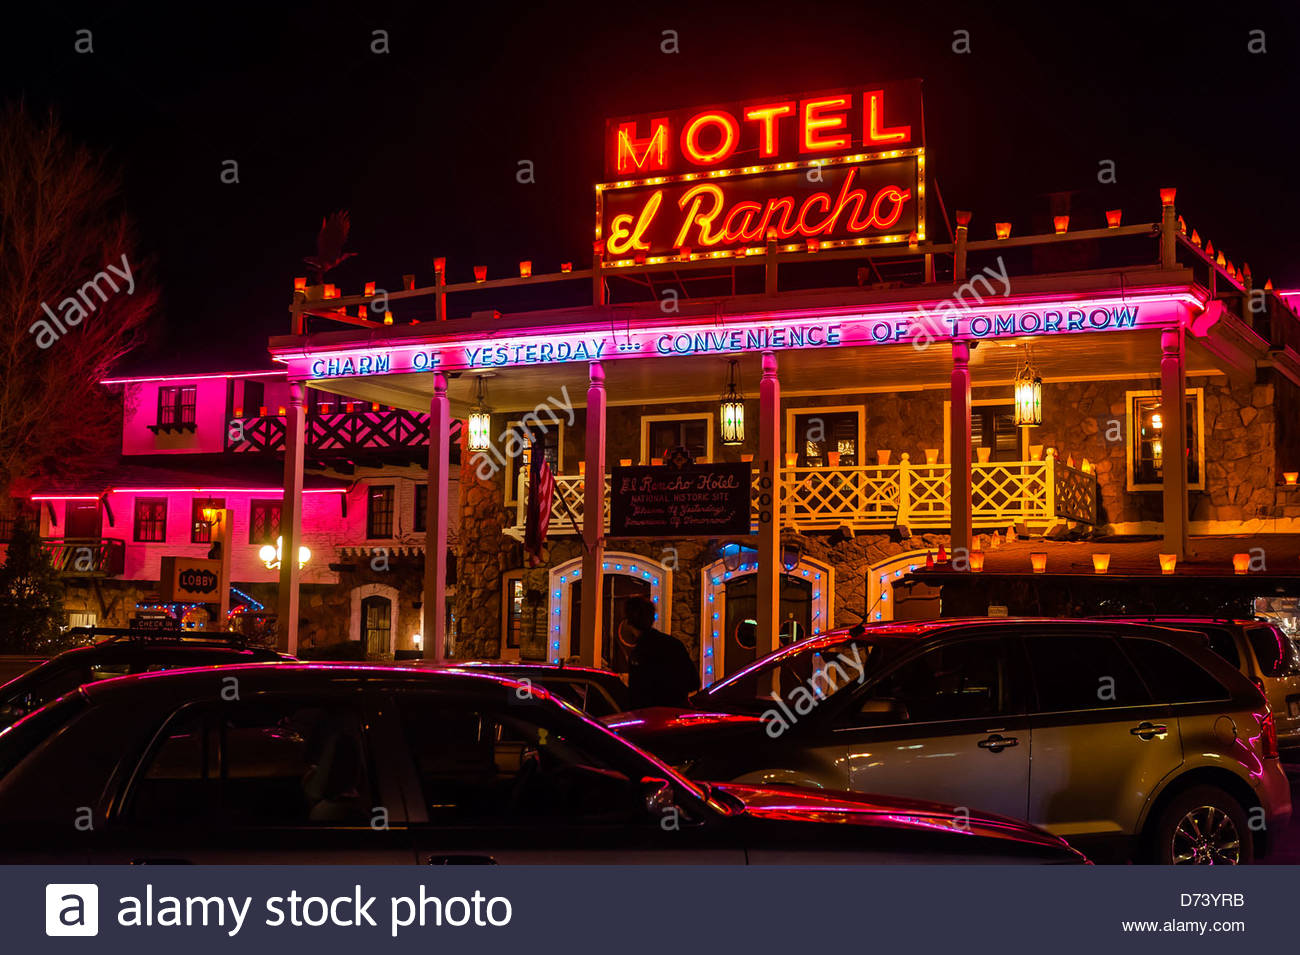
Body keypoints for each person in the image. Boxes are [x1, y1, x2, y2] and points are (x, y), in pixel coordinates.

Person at [623, 596, 700, 709]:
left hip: (650, 719)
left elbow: (636, 697)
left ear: (628, 621)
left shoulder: (639, 654)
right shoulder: (673, 644)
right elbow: (694, 682)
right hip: (676, 716)